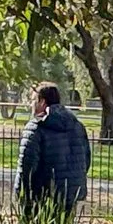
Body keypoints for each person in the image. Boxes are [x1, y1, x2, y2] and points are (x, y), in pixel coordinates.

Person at [17, 82, 92, 215]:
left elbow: (26, 167)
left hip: (43, 195)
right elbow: (86, 160)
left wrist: (20, 194)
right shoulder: (77, 126)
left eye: (33, 100)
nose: (31, 104)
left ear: (42, 102)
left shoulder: (36, 127)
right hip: (71, 193)